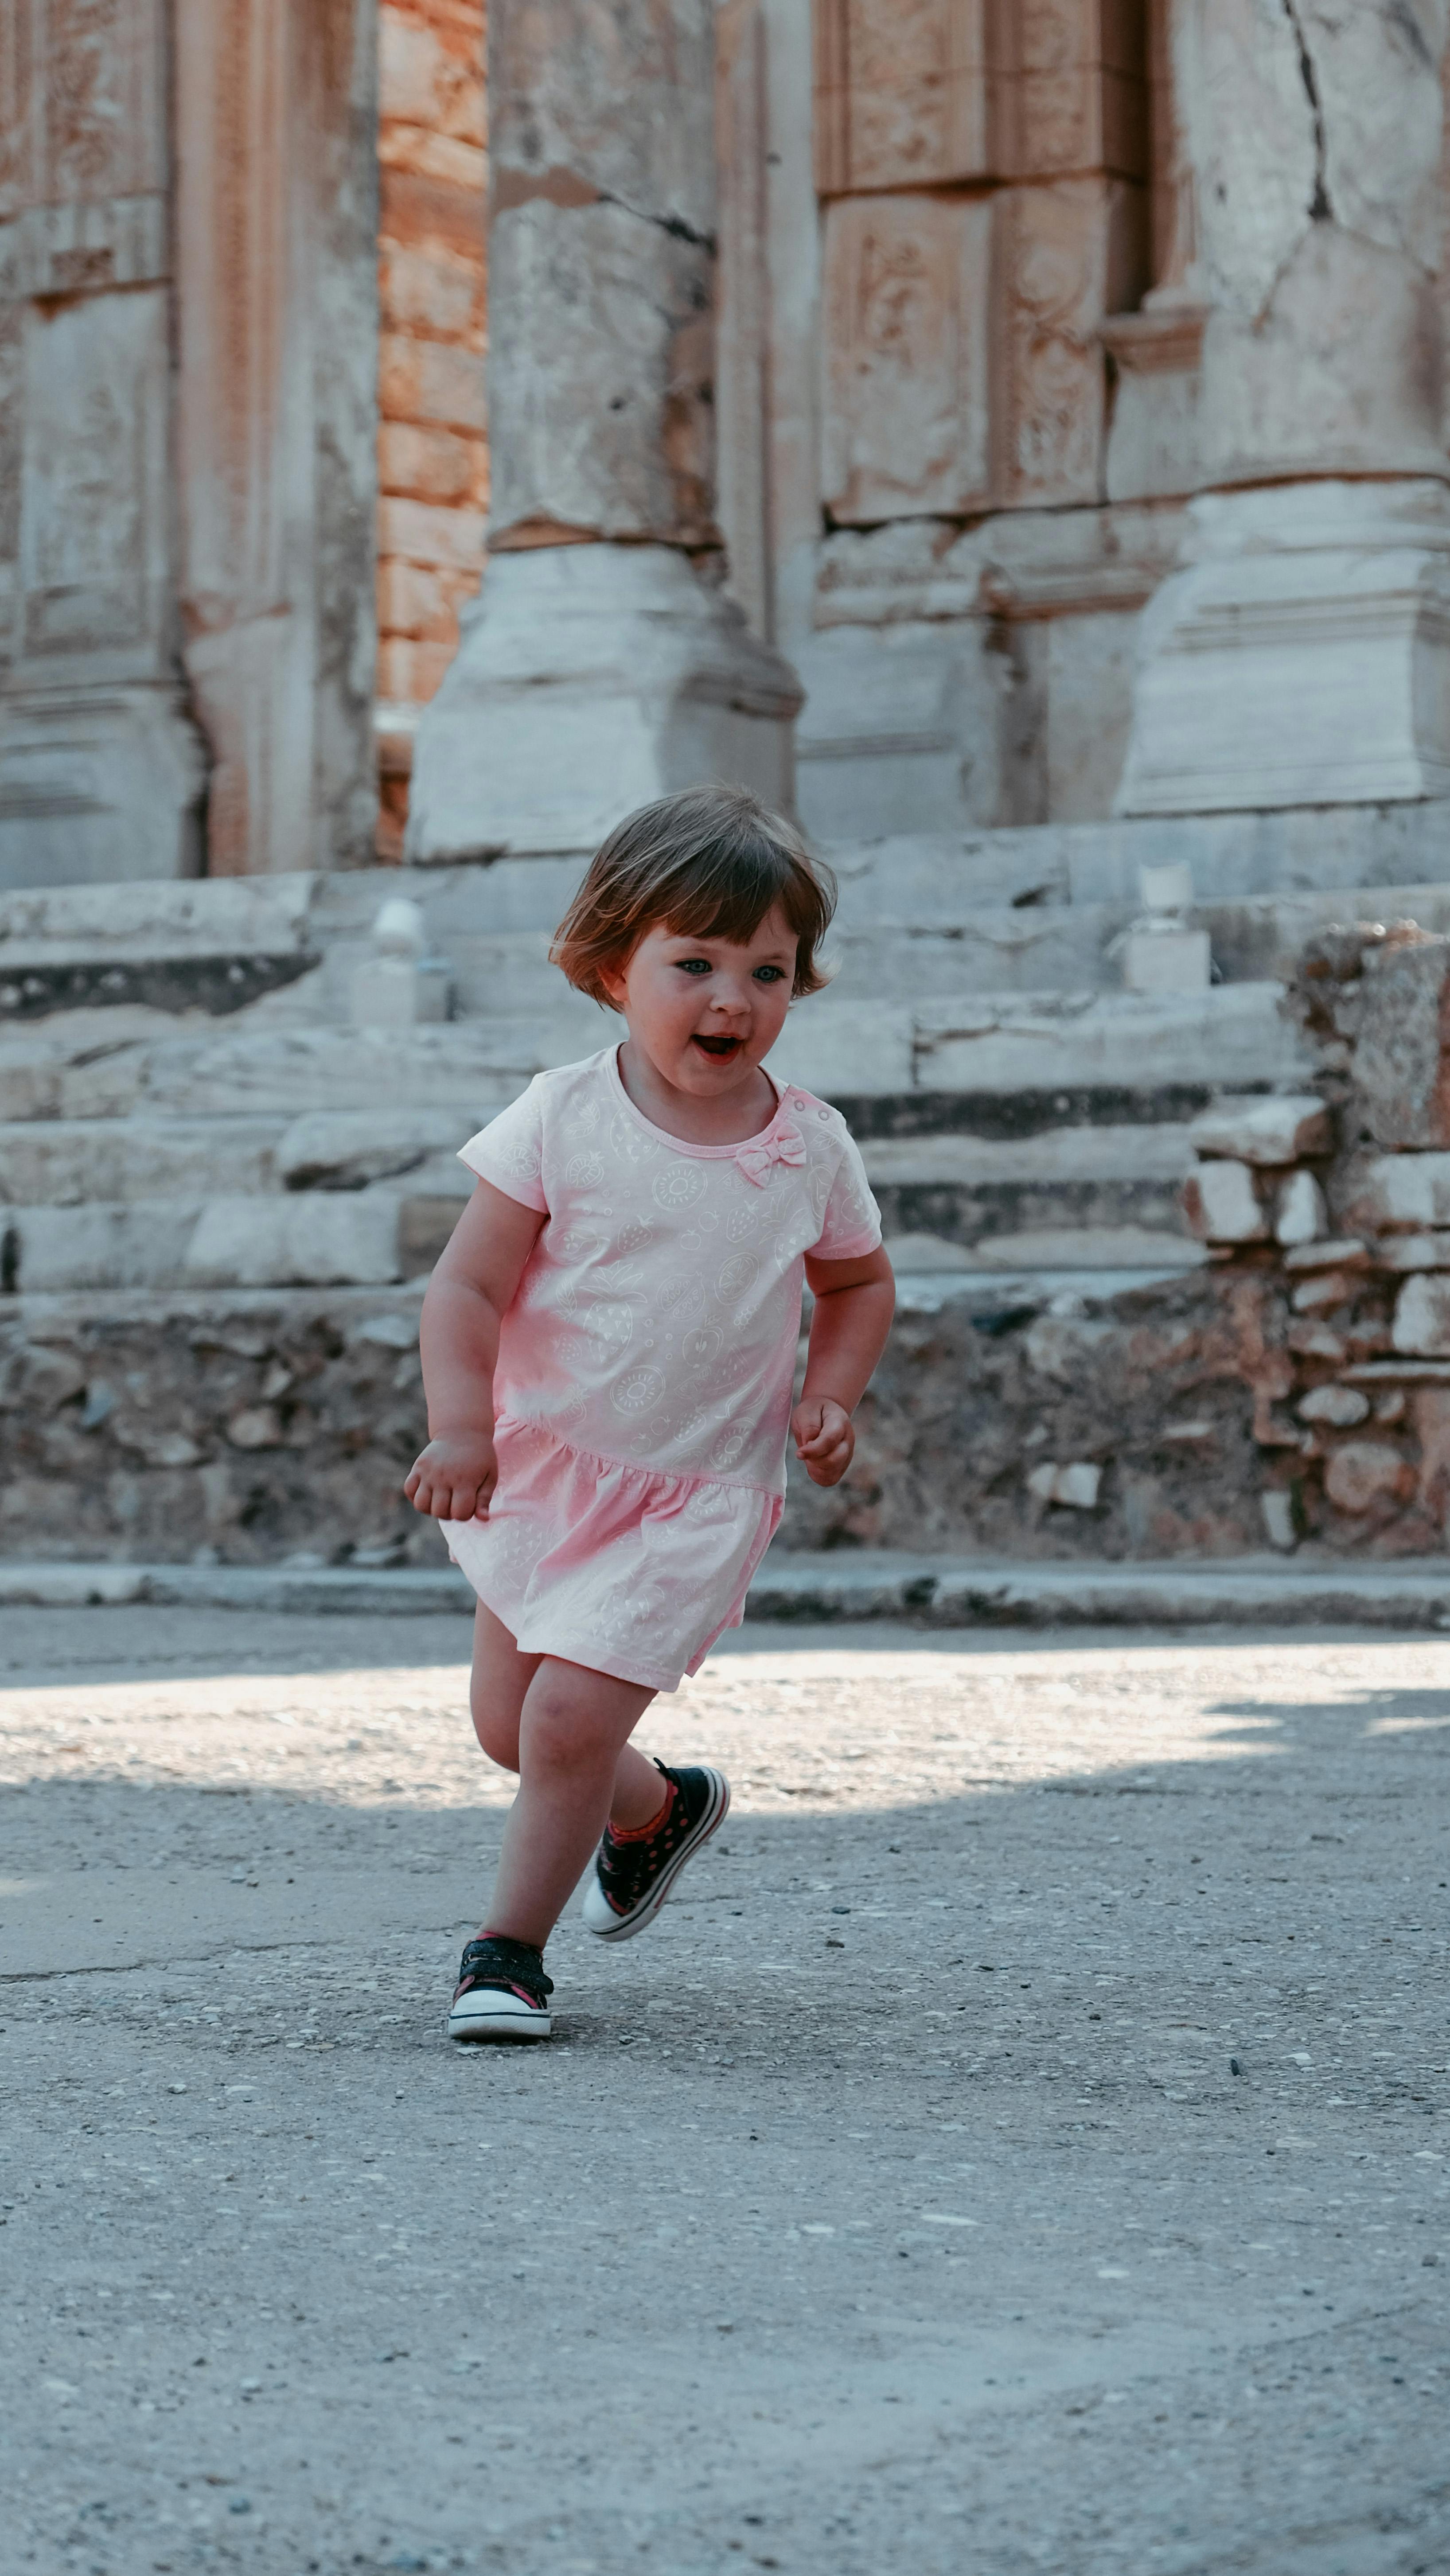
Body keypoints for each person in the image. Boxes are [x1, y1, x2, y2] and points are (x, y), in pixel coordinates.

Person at [405, 785, 895, 2041]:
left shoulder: (811, 1150)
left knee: (566, 1722)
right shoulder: (561, 1117)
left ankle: (506, 1956)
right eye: (695, 963)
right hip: (546, 1467)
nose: (733, 1000)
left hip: (691, 1491)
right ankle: (653, 1810)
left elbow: (856, 1282)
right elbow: (467, 1284)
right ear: (611, 967)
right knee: (511, 1730)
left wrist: (831, 1391)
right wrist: (461, 1425)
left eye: (768, 971)